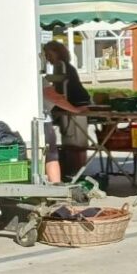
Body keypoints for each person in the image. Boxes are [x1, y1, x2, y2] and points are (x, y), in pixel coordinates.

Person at [41, 40, 90, 183]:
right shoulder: (65, 66)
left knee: (74, 142)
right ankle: (73, 174)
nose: (47, 58)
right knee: (70, 144)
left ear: (56, 53)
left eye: (48, 55)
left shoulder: (60, 66)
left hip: (75, 104)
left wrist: (73, 109)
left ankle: (74, 174)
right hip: (71, 104)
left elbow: (56, 94)